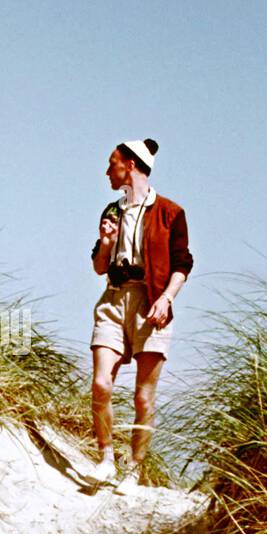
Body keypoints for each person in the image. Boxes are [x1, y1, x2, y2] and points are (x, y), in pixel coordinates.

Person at [89, 138, 193, 491]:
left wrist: (166, 299)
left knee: (143, 396)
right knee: (102, 383)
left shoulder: (170, 212)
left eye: (112, 163)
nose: (107, 171)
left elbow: (183, 262)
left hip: (151, 302)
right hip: (114, 298)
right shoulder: (111, 211)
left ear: (130, 165)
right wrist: (105, 244)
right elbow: (98, 266)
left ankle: (135, 468)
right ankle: (106, 458)